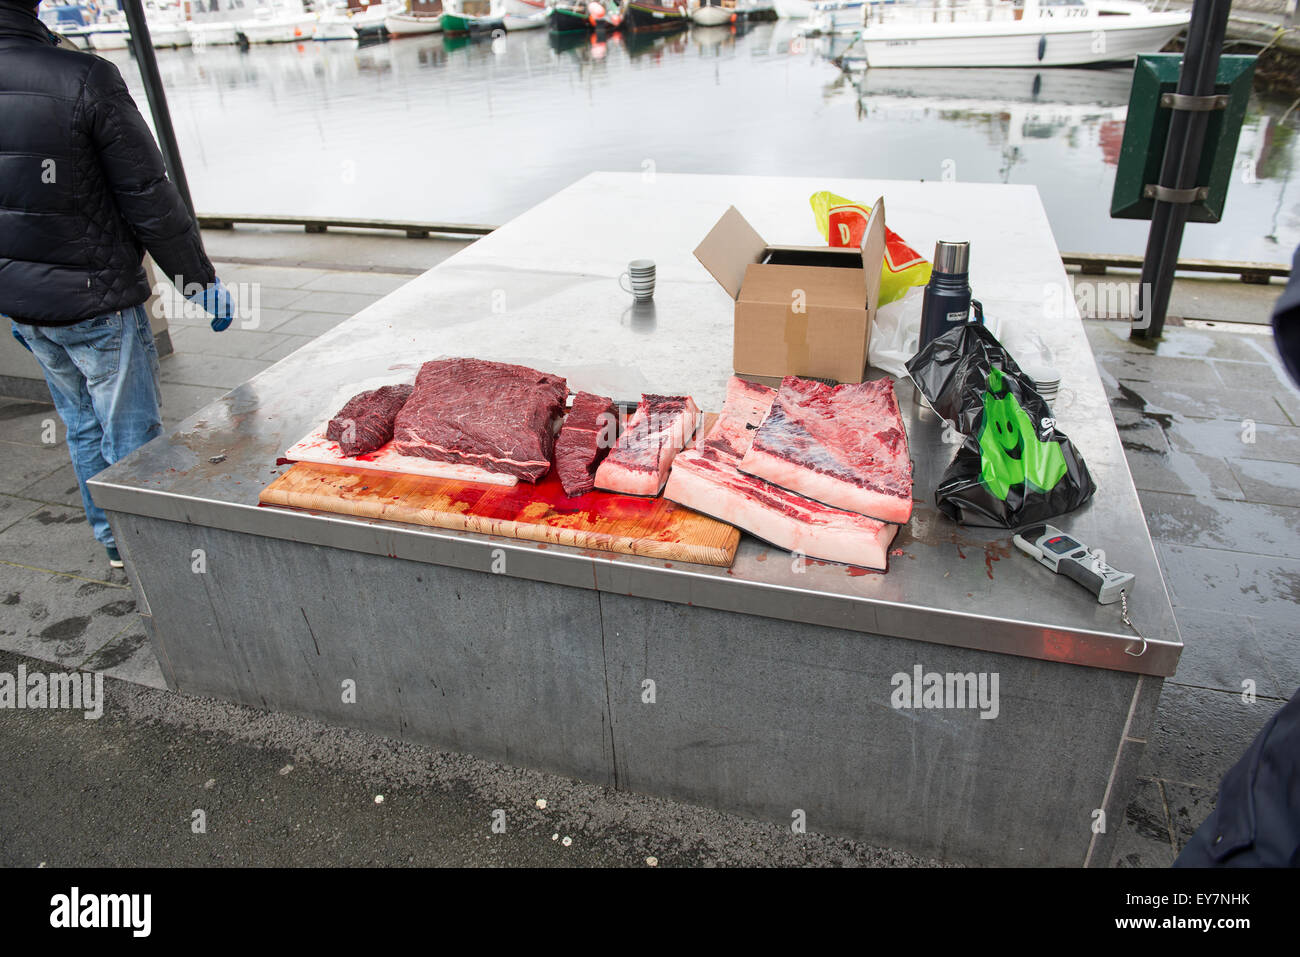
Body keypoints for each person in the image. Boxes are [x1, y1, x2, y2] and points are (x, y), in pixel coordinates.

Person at [0, 0, 234, 569]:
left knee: (80, 425)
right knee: (132, 432)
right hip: (95, 298)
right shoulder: (83, 76)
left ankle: (113, 542)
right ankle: (148, 546)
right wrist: (196, 281)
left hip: (24, 305)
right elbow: (147, 194)